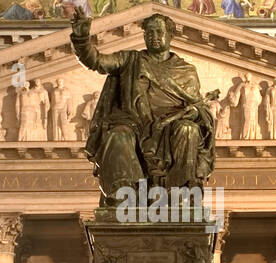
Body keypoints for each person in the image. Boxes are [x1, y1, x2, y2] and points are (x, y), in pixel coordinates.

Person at [70, 10, 216, 199]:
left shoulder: (186, 71)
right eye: (149, 33)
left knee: (188, 129)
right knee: (117, 134)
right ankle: (125, 194)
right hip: (134, 123)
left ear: (170, 35)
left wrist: (194, 113)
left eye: (158, 32)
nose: (153, 37)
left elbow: (199, 107)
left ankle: (180, 192)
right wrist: (81, 39)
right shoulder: (130, 60)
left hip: (171, 127)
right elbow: (96, 61)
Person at [237, 73, 262, 139]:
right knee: (247, 120)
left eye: (249, 76)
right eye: (246, 76)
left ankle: (252, 136)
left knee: (253, 121)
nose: (247, 77)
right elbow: (236, 96)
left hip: (254, 106)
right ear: (245, 77)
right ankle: (246, 136)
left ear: (251, 77)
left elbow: (259, 97)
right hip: (246, 105)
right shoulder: (242, 85)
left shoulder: (255, 86)